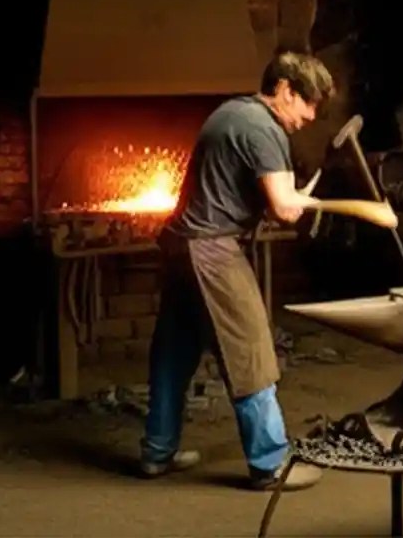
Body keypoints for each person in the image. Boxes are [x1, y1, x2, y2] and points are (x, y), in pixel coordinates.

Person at [139, 51, 333, 491]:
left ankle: (157, 451)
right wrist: (304, 201)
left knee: (174, 352)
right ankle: (269, 464)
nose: (308, 117)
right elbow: (285, 209)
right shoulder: (265, 129)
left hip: (180, 245)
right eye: (307, 104)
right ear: (285, 90)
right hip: (211, 251)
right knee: (250, 350)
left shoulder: (230, 112)